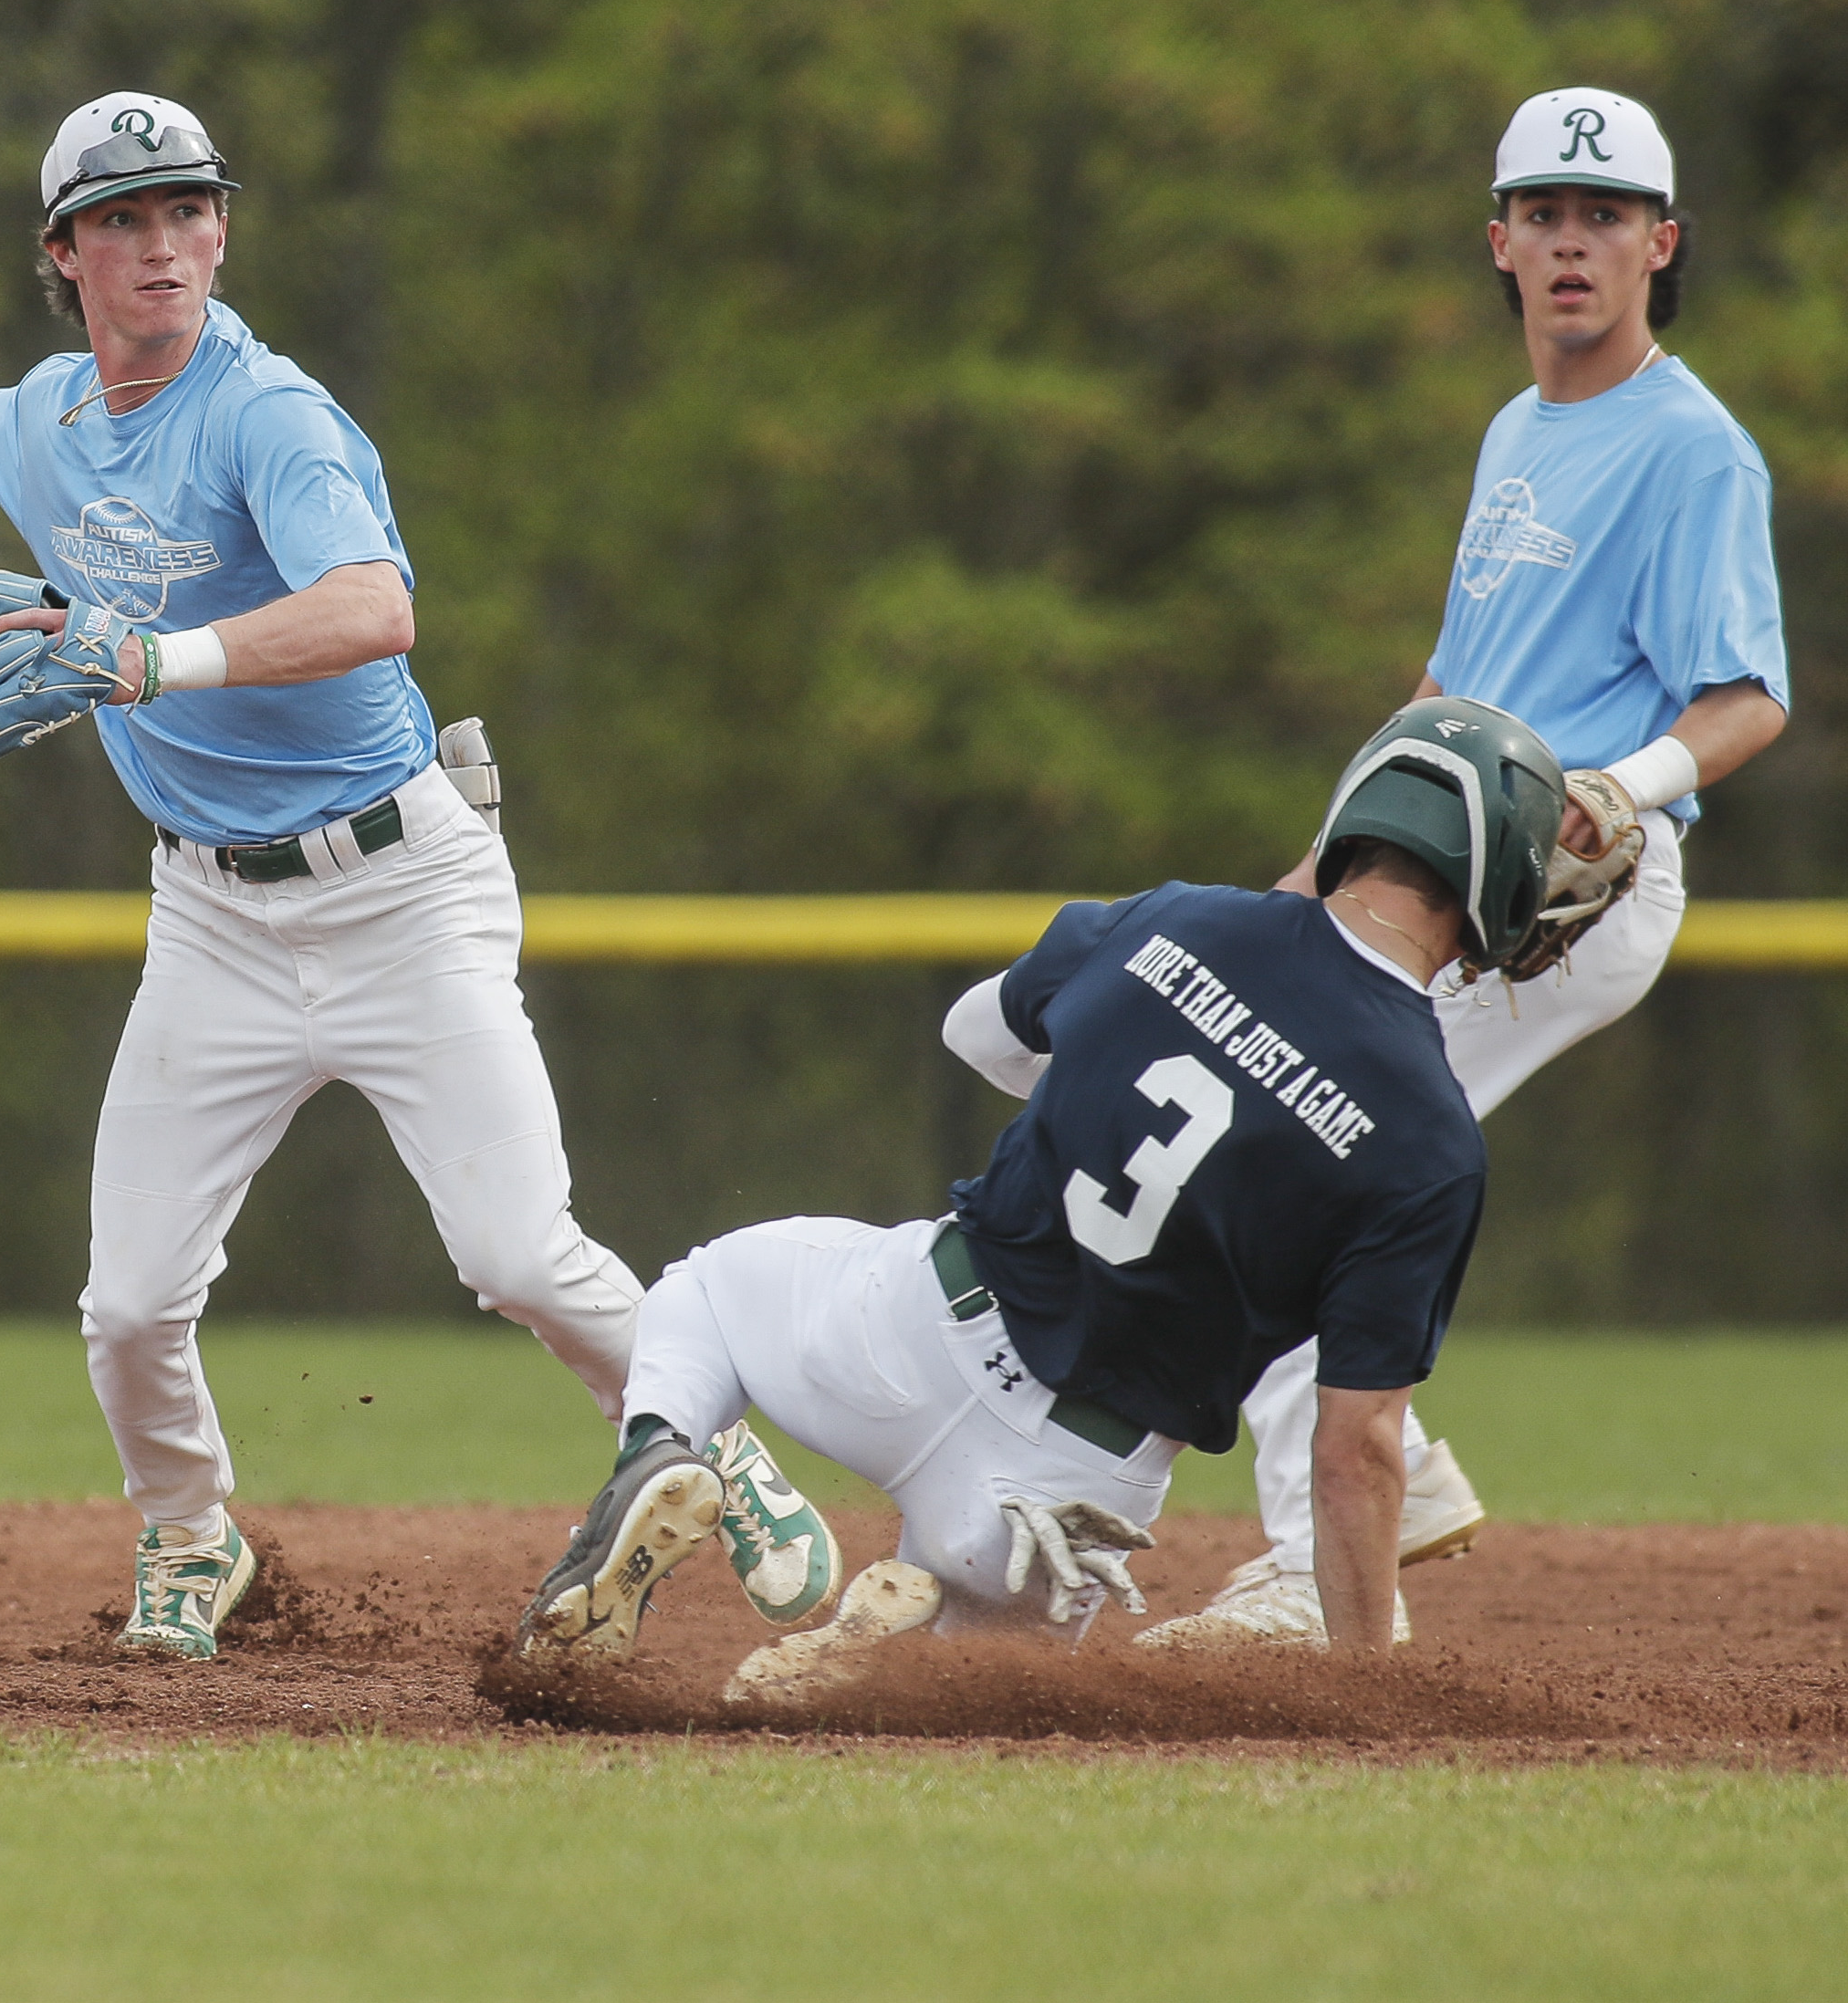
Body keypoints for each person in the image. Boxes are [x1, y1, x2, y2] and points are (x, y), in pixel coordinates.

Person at [0, 93, 833, 1660]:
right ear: (64, 253)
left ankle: (718, 1450)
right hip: (213, 916)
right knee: (131, 1308)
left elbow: (372, 609)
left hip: (396, 890)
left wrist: (150, 658)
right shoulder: (55, 415)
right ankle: (190, 1533)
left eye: (188, 212)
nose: (163, 245)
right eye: (124, 221)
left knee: (514, 1257)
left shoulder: (265, 413)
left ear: (220, 229)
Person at [519, 702, 1561, 1702]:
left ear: (1351, 819)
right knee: (955, 1698)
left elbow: (979, 1032)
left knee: (703, 1294)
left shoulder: (1179, 918)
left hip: (910, 1337)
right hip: (1066, 1496)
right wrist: (1365, 1686)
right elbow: (1357, 1448)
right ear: (1505, 881)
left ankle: (662, 1446)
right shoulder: (1430, 1141)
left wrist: (1110, 1074)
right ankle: (886, 1648)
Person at [1143, 87, 1792, 1652]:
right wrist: (1318, 869)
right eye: (1546, 216)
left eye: (1607, 217)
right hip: (1431, 871)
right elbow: (1448, 686)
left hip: (1556, 903)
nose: (1574, 244)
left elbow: (1749, 694)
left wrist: (1617, 787)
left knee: (1304, 1159)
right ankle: (1398, 1479)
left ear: (1662, 245)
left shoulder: (1692, 449)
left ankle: (1323, 1572)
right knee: (1278, 1143)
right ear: (1499, 243)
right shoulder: (1518, 427)